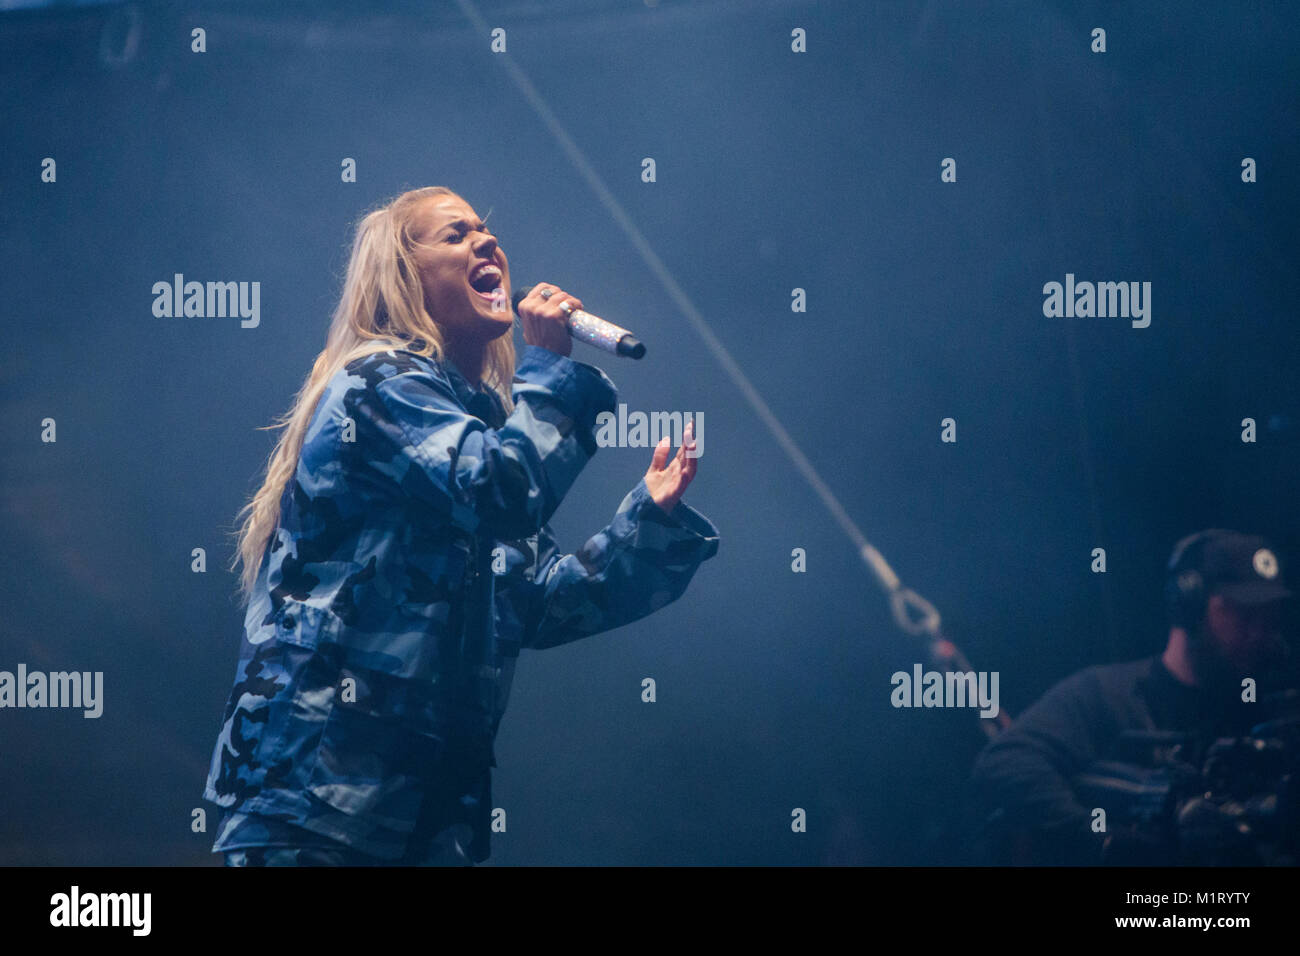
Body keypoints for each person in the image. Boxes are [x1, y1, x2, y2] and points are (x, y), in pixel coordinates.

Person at [202, 186, 720, 865]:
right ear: (403, 275)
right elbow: (501, 493)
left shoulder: (481, 430)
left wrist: (648, 522)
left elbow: (538, 606)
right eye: (455, 234)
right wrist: (556, 372)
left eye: (487, 230)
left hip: (421, 821)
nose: (486, 242)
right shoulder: (377, 386)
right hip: (316, 803)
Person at [970, 528, 1295, 864]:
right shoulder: (1105, 694)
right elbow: (1006, 761)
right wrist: (1103, 841)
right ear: (1189, 604)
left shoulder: (1269, 714)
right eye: (1243, 612)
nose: (1260, 631)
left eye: (1270, 616)